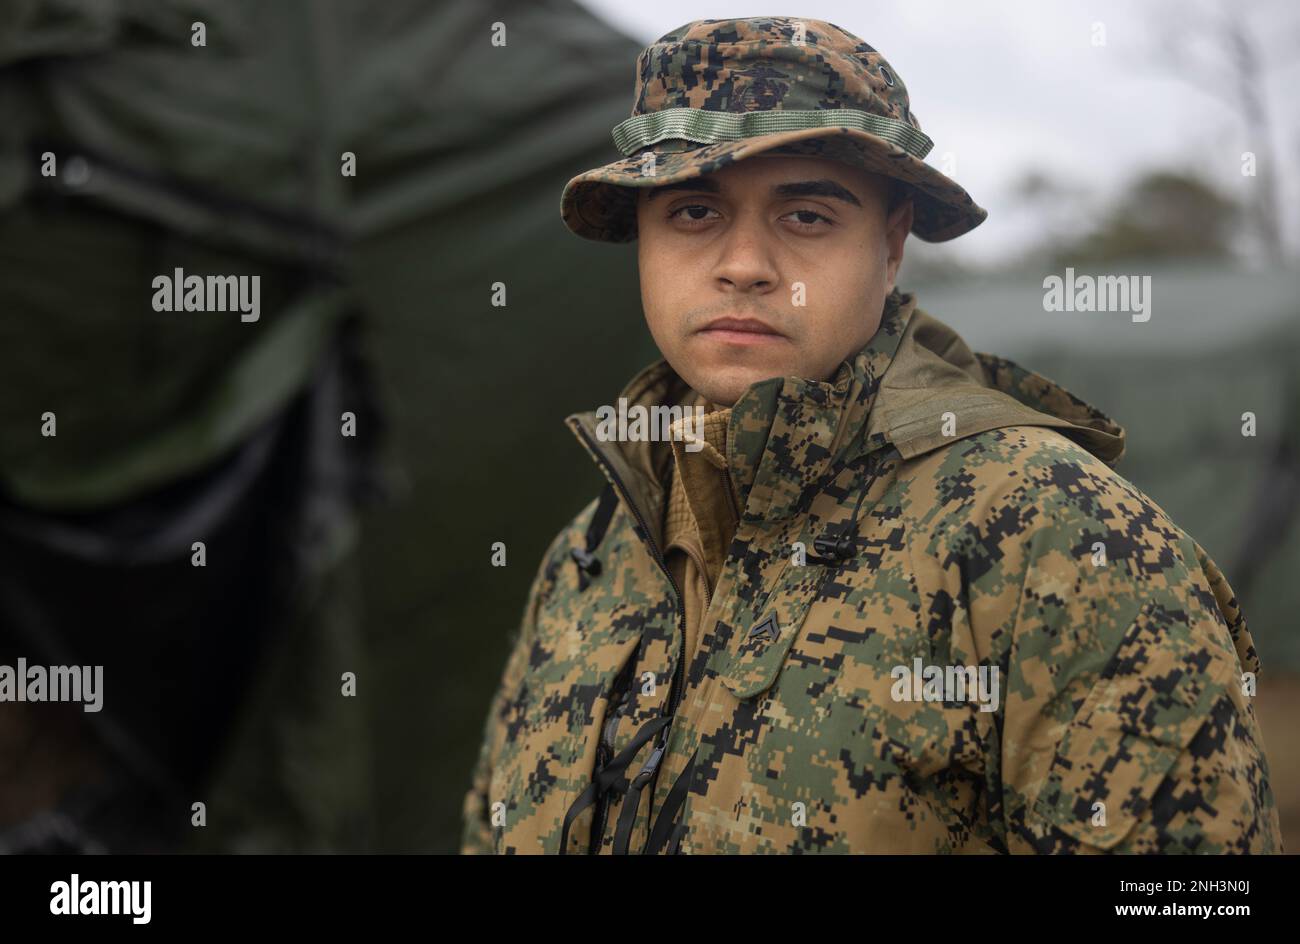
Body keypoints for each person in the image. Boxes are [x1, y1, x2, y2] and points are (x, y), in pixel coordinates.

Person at [460, 16, 1282, 854]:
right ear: (642, 239)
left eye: (807, 216)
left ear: (890, 247)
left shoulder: (1058, 539)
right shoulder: (593, 553)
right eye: (695, 210)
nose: (744, 263)